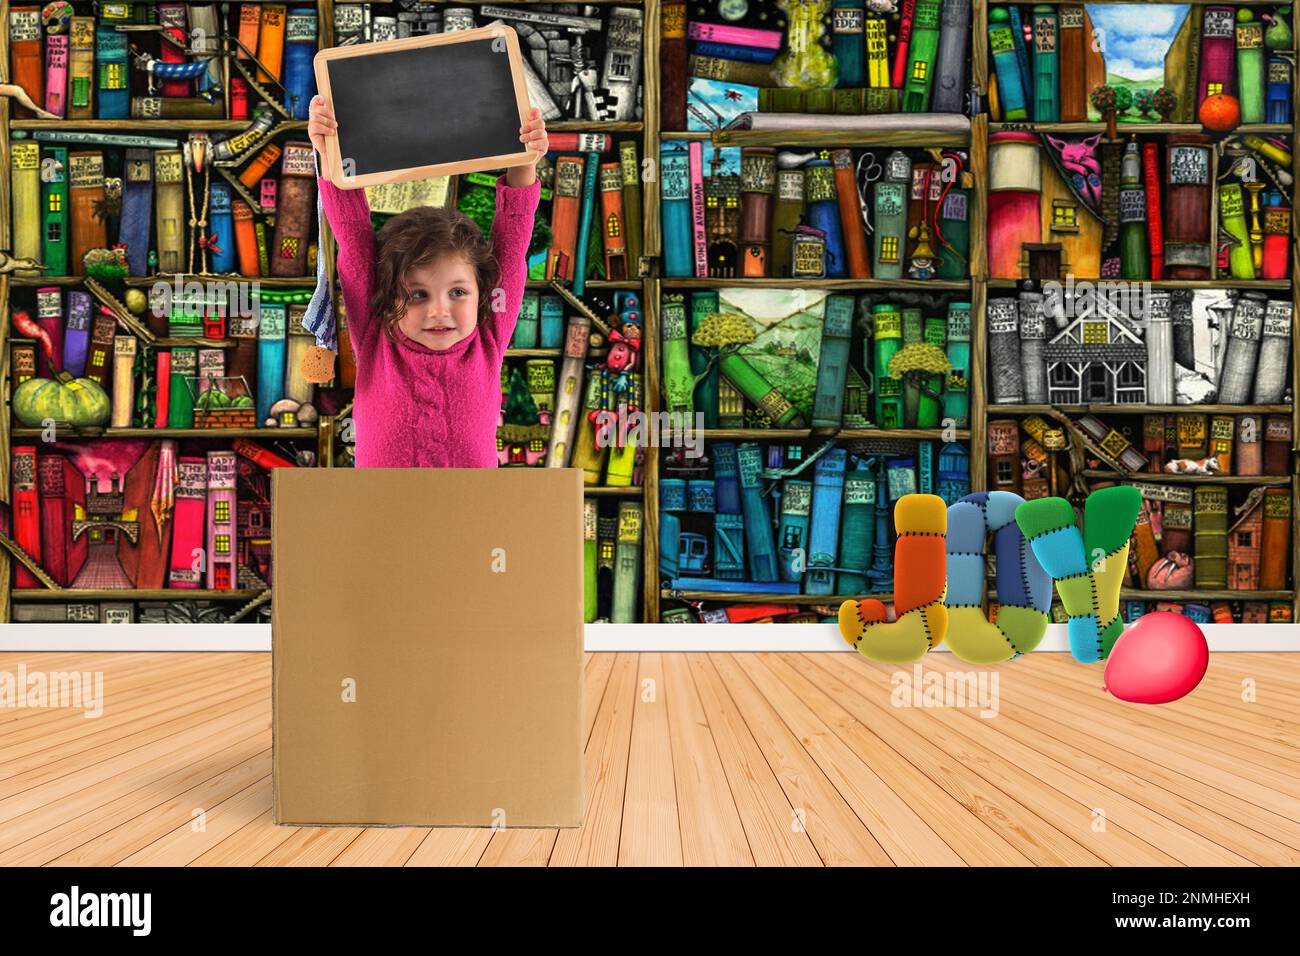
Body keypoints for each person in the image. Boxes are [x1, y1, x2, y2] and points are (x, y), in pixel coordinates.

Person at [306, 94, 547, 466]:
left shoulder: (489, 333)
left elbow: (513, 245)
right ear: (386, 298)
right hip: (382, 518)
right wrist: (329, 152)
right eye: (417, 294)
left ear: (485, 292)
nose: (439, 310)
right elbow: (353, 236)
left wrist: (525, 163)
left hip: (473, 518)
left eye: (458, 292)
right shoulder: (374, 330)